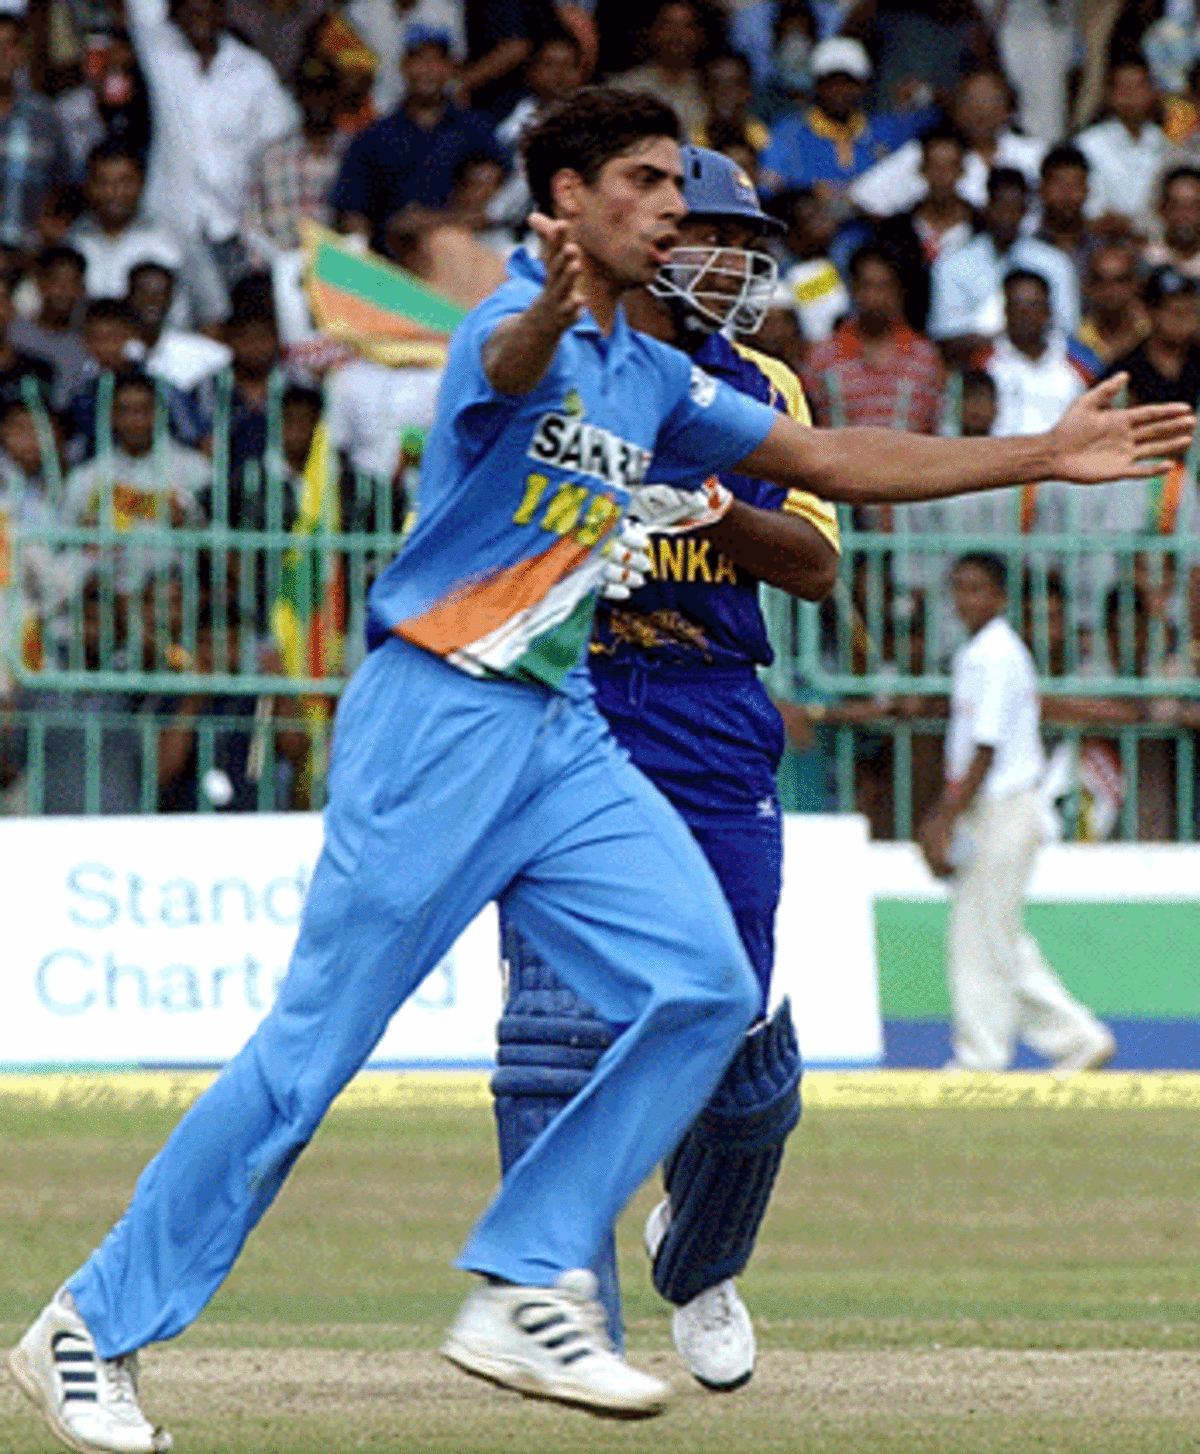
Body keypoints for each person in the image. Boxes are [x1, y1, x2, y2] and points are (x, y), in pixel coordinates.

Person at [9, 86, 1193, 1451]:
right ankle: (89, 1326)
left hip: (561, 727)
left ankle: (525, 1275)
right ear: (564, 202)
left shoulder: (654, 374)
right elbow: (512, 368)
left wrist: (1040, 450)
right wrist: (549, 313)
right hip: (437, 716)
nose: (672, 211)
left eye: (674, 192)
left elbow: (825, 460)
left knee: (708, 986)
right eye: (642, 183)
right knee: (306, 1063)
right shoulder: (502, 330)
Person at [492, 144, 838, 1390]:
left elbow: (815, 562)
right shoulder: (570, 365)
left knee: (739, 1033)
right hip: (578, 703)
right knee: (558, 1026)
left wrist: (705, 511)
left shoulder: (768, 387)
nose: (740, 267)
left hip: (711, 713)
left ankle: (702, 1255)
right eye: (715, 239)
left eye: (753, 247)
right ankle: (553, 1305)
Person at [918, 552, 1118, 1071]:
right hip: (997, 806)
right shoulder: (984, 652)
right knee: (996, 934)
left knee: (979, 937)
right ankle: (1077, 1038)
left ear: (1002, 597)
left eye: (978, 589)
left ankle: (980, 1057)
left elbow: (985, 747)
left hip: (1001, 806)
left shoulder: (994, 654)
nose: (966, 600)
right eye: (959, 589)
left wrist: (943, 816)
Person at [331, 27, 507, 255]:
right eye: (420, 61)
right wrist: (363, 255)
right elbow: (352, 209)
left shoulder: (476, 131)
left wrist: (427, 221)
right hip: (391, 270)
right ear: (404, 66)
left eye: (436, 61)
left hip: (459, 261)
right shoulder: (374, 136)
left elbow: (496, 207)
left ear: (451, 68)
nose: (428, 70)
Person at [928, 166, 1081, 366]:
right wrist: (1005, 342)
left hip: (1043, 369)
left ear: (1025, 211)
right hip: (974, 370)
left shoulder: (1055, 263)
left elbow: (1066, 330)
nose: (1007, 216)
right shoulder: (952, 263)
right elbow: (944, 333)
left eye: (1015, 208)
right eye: (1001, 206)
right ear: (987, 207)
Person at [757, 37, 918, 201]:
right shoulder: (788, 134)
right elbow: (768, 188)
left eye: (848, 84)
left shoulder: (883, 132)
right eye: (831, 84)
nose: (839, 92)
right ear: (817, 86)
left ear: (863, 87)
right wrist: (810, 190)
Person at [1075, 57, 1170, 233]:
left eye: (1138, 87)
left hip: (1153, 238)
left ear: (1152, 93)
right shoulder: (1088, 144)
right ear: (1108, 95)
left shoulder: (1162, 143)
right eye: (1123, 88)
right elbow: (1092, 211)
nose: (1131, 95)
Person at [1143, 165, 1200, 282]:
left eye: (1194, 207)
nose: (1185, 216)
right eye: (1176, 206)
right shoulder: (1146, 261)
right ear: (1161, 209)